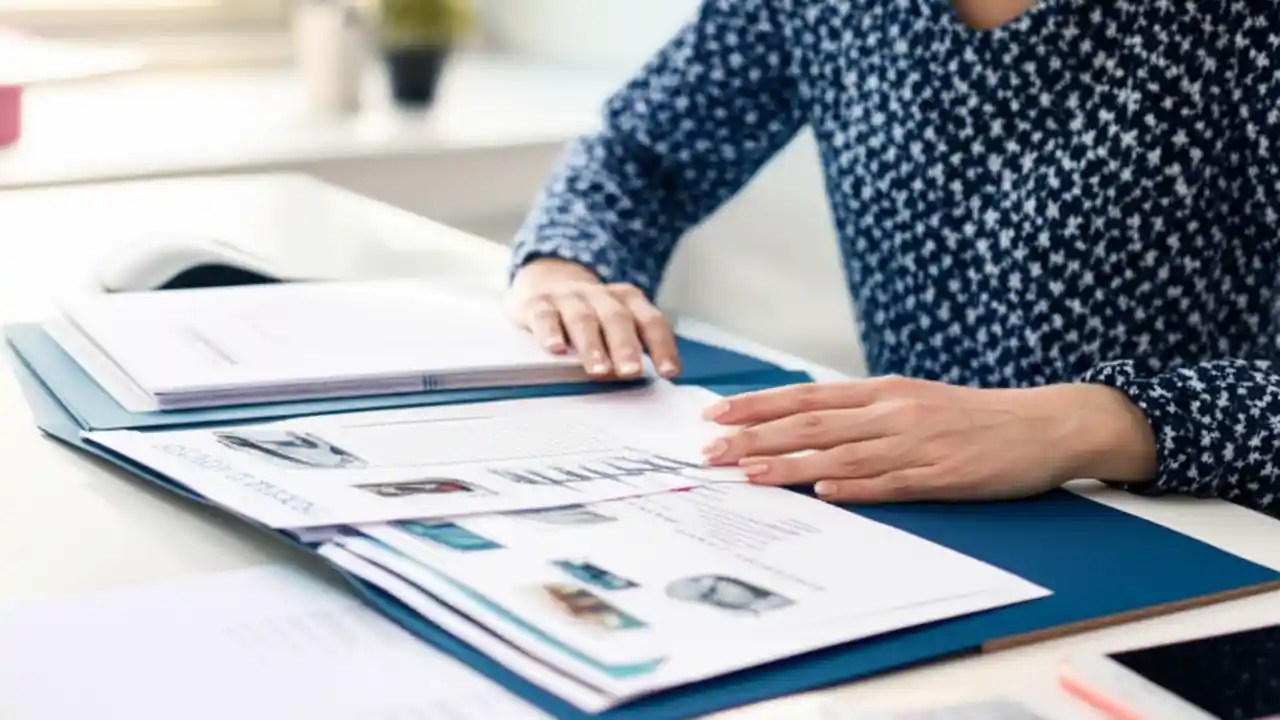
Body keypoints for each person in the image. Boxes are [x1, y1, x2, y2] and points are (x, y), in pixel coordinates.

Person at [505, 0, 1280, 513]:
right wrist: (566, 264)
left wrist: (1084, 424)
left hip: (1213, 562)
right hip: (918, 530)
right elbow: (640, 153)